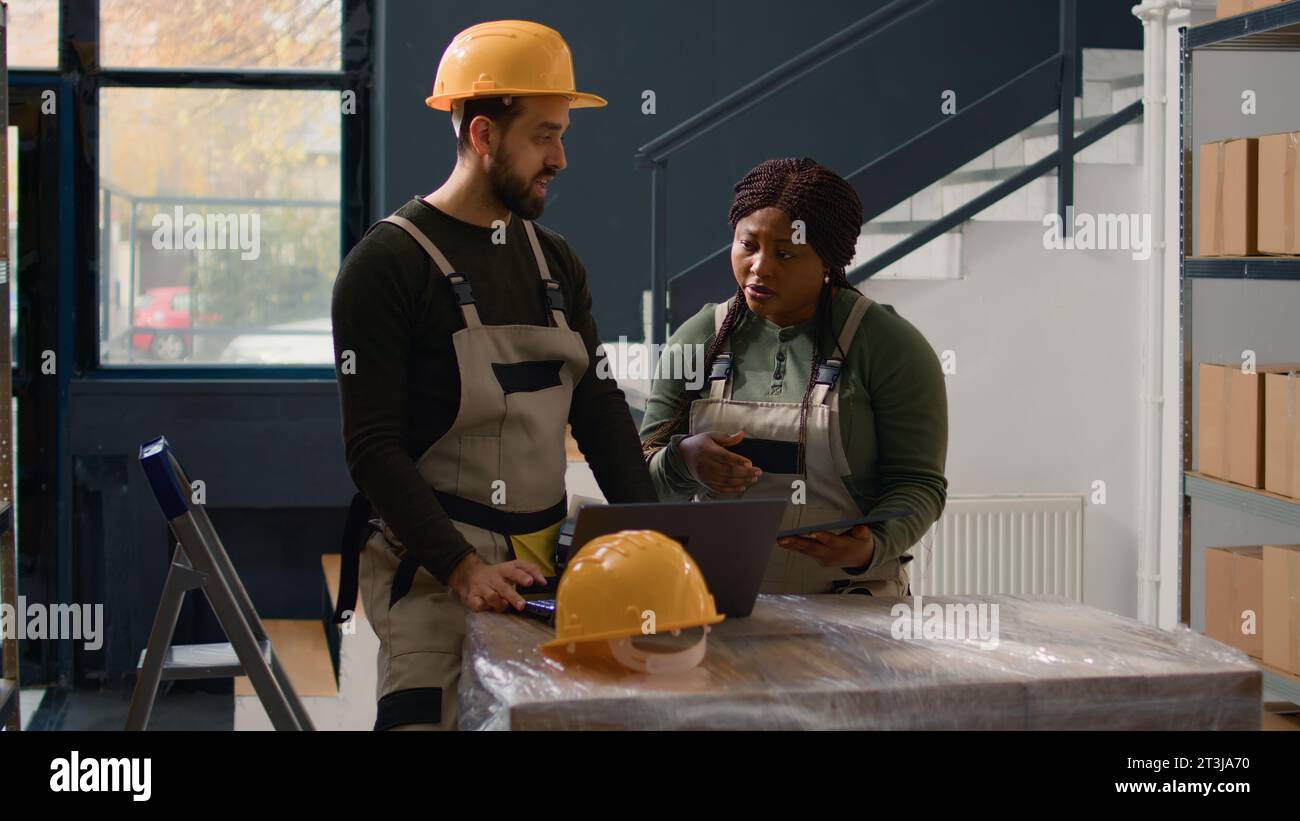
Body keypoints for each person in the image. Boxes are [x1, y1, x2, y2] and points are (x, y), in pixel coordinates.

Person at [331, 20, 656, 731]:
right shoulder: (387, 266)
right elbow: (372, 448)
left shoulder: (555, 263)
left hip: (544, 570)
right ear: (482, 135)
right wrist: (461, 568)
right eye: (544, 135)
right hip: (434, 573)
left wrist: (656, 537)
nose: (561, 157)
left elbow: (598, 407)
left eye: (563, 134)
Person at [640, 157, 948, 596]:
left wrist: (870, 546)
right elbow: (639, 487)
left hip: (852, 607)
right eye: (748, 245)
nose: (760, 267)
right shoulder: (697, 340)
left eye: (785, 253)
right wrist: (683, 461)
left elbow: (919, 484)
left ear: (829, 259)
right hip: (716, 604)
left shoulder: (886, 345)